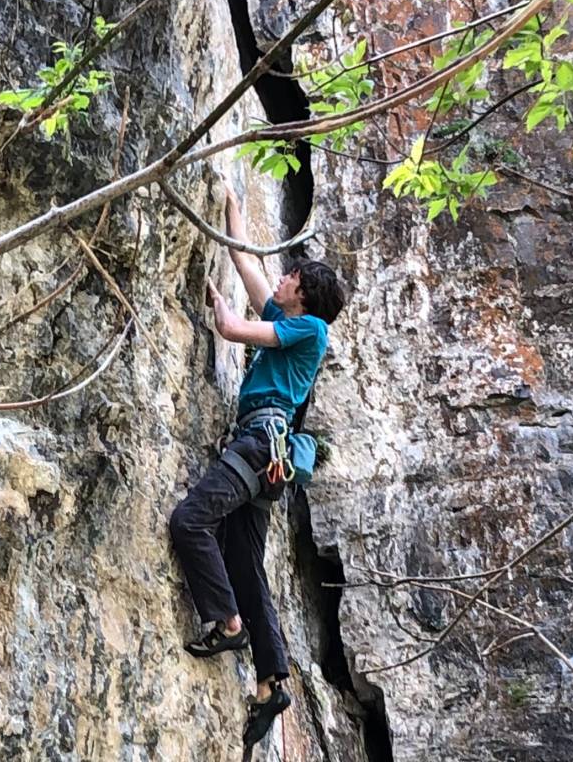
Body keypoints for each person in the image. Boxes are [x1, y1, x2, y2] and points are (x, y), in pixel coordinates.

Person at [169, 187, 346, 752]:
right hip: (266, 459)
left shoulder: (310, 330)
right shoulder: (289, 320)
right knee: (247, 564)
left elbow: (236, 329)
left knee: (190, 521)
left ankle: (228, 625)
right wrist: (231, 203)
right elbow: (248, 263)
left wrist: (222, 312)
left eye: (292, 277)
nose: (284, 279)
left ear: (305, 293)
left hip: (257, 448)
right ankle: (272, 683)